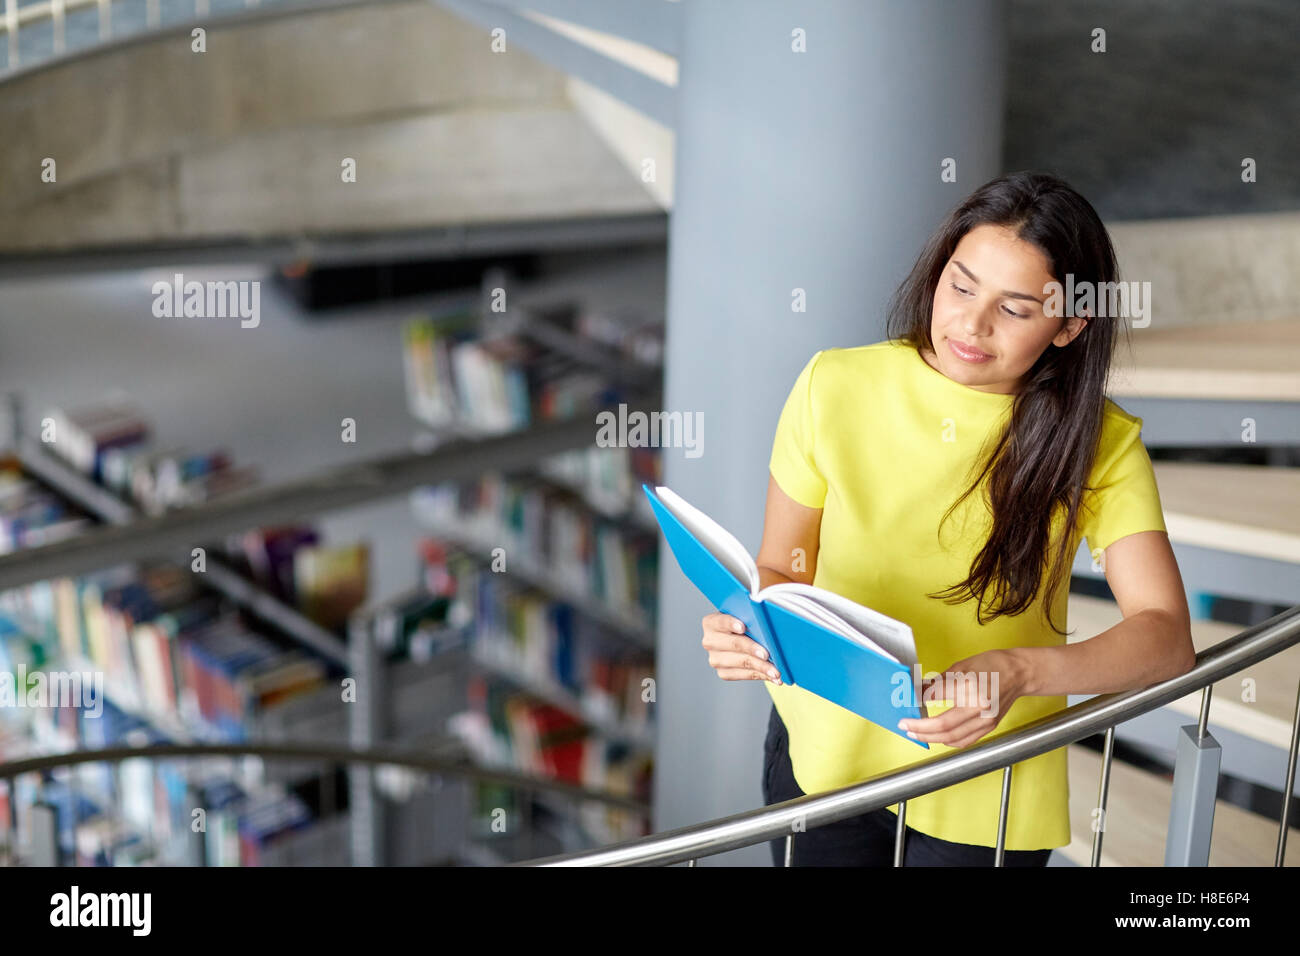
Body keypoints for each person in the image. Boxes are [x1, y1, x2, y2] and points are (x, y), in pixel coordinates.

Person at [700, 171, 1196, 867]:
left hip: (986, 784)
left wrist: (1019, 673)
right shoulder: (833, 385)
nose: (971, 323)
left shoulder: (1101, 443)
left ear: (1070, 325)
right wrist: (744, 629)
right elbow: (782, 569)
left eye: (1015, 309)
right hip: (822, 755)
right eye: (961, 286)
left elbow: (1167, 639)